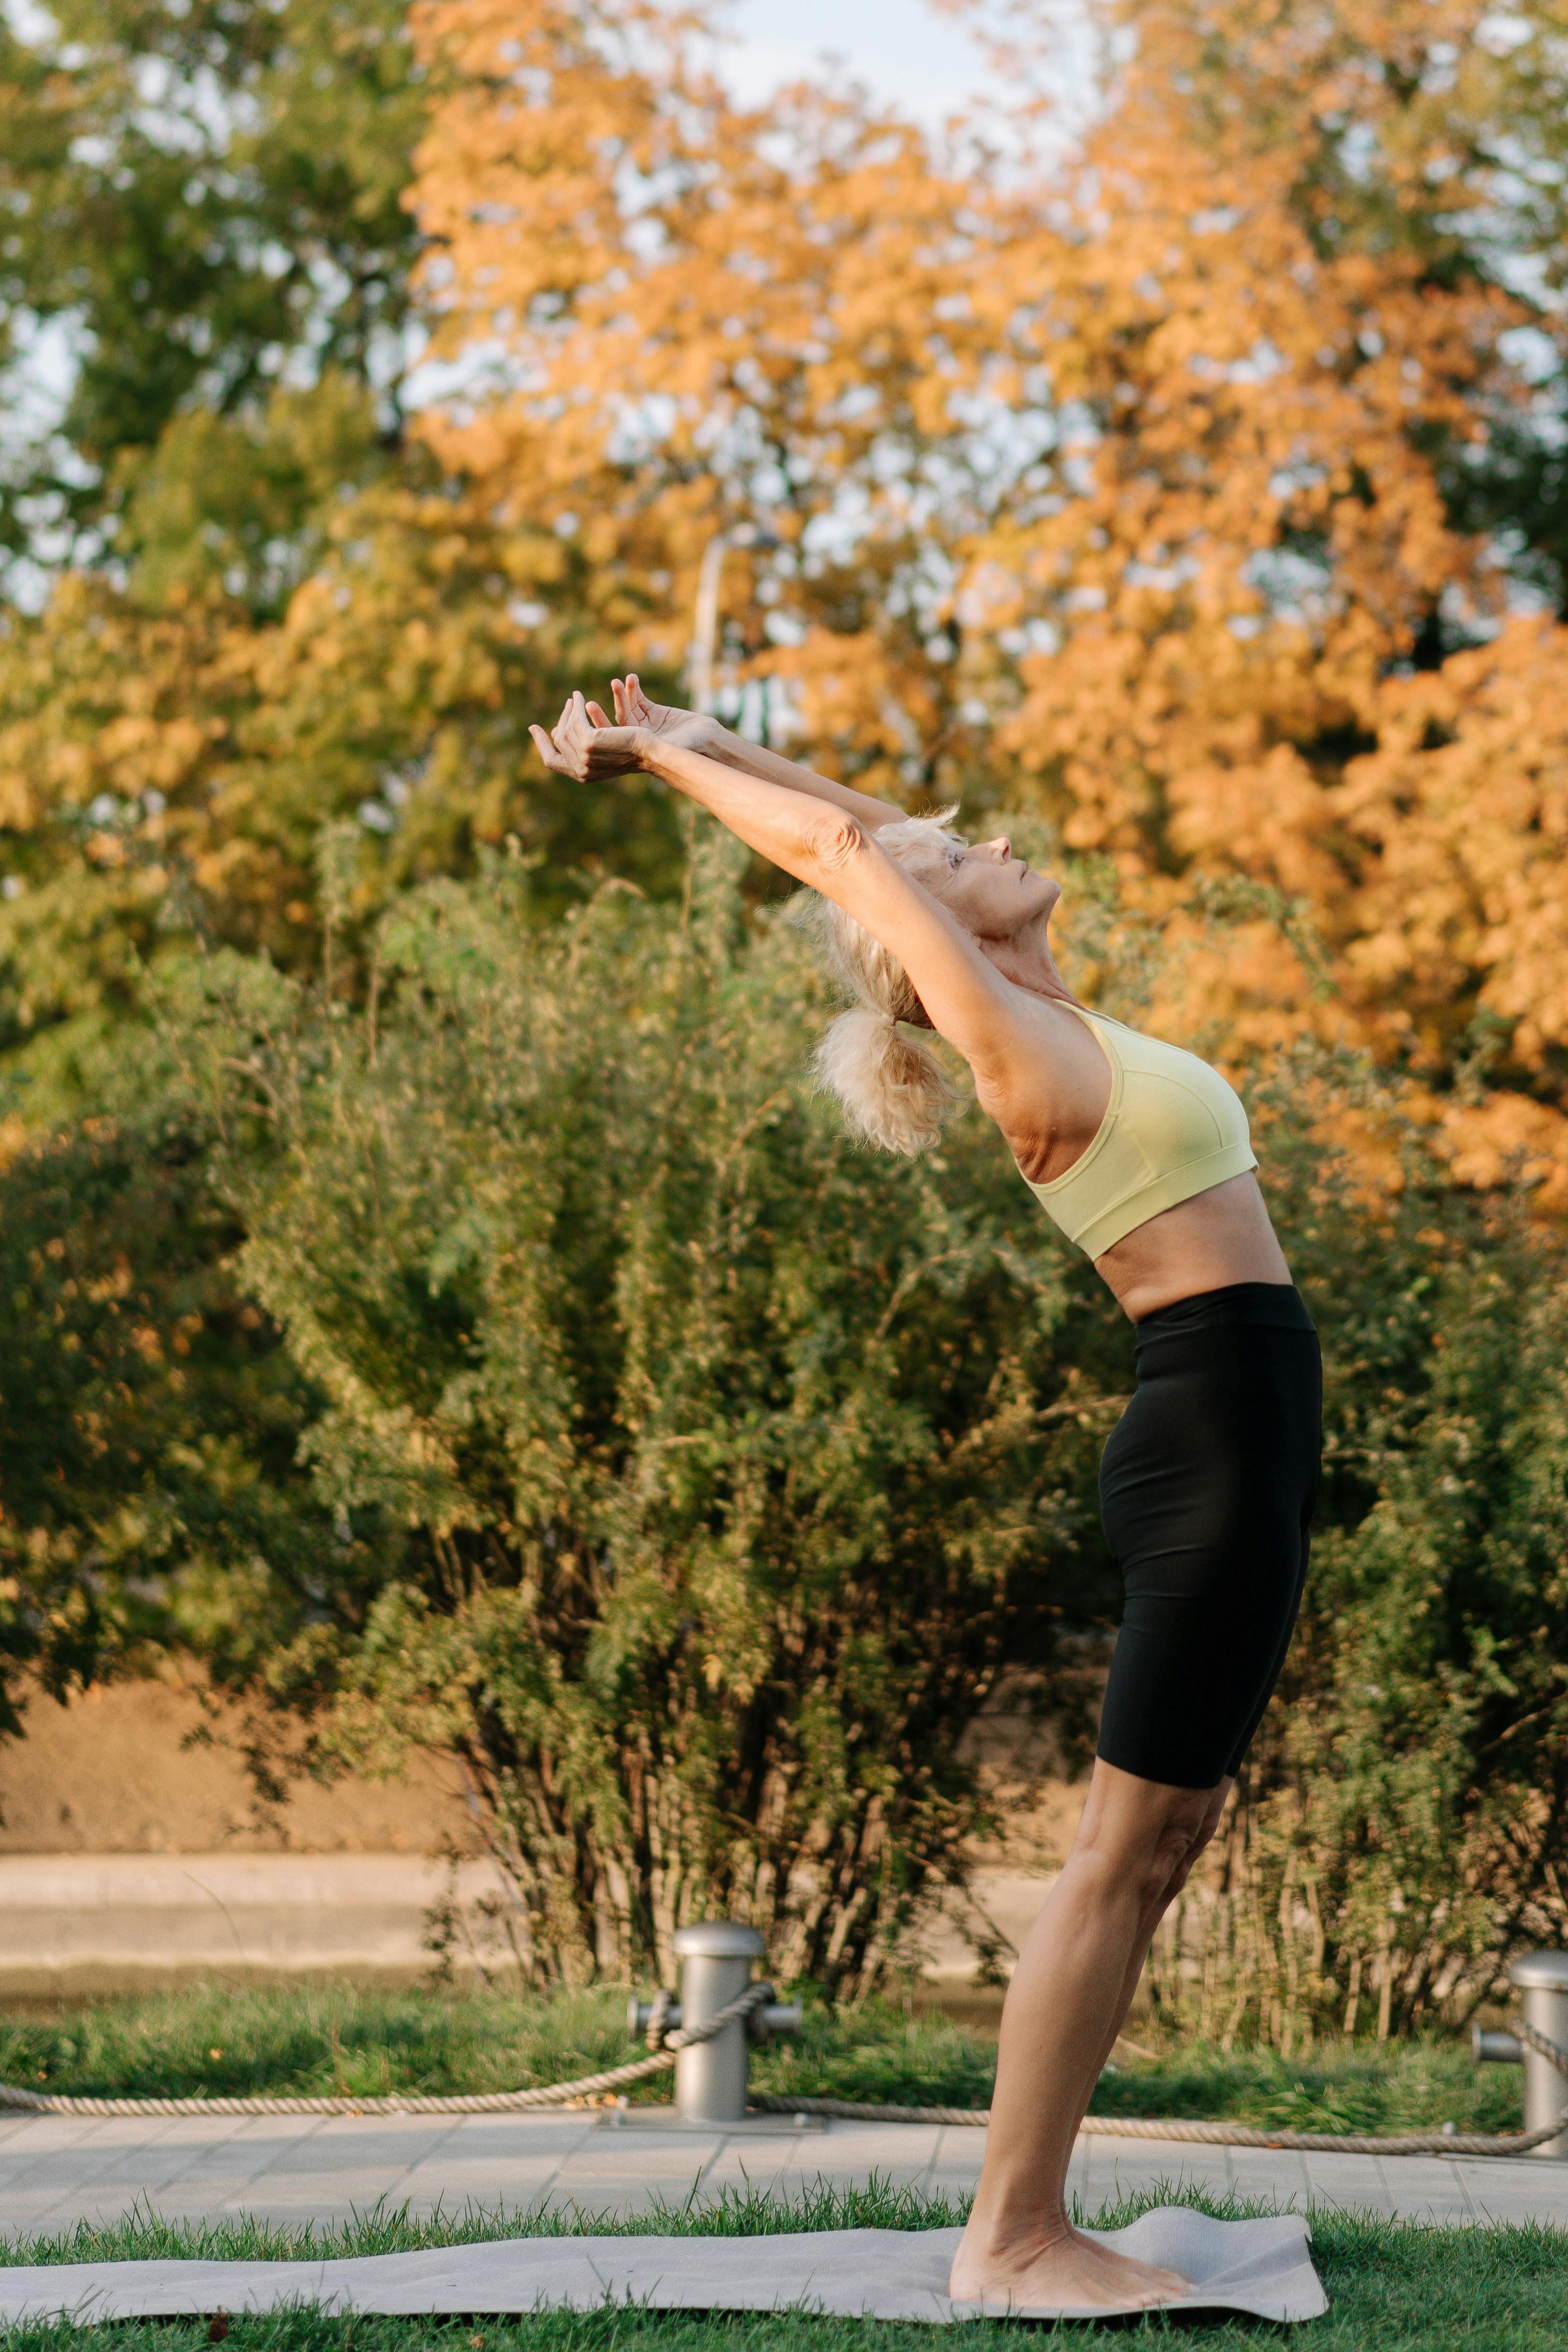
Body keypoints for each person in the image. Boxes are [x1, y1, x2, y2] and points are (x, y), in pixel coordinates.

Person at [530, 679, 1322, 2316]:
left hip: (1237, 1429)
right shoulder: (1014, 1047)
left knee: (1155, 1843)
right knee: (1121, 1850)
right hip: (1209, 1441)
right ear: (935, 942)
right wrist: (666, 761)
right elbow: (848, 851)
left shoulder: (1044, 1005)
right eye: (967, 858)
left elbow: (862, 842)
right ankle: (1013, 2236)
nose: (994, 841)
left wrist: (704, 733)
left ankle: (1028, 2219)